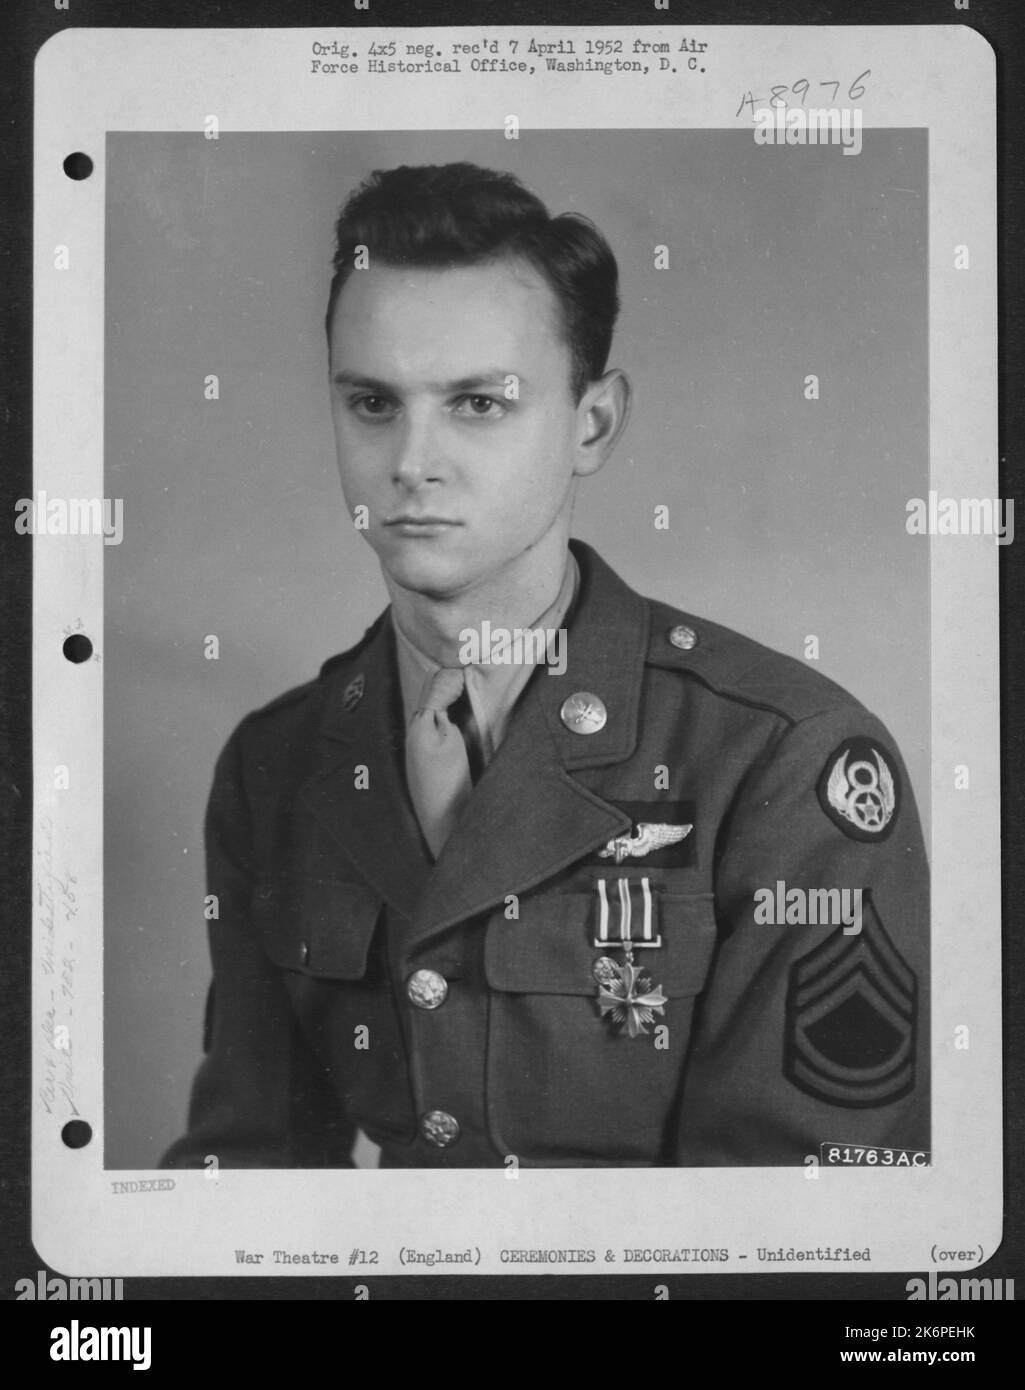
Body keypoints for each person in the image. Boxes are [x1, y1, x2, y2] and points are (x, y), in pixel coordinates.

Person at [163, 162, 929, 1169]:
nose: (410, 461)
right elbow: (243, 1178)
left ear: (591, 424)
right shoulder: (279, 763)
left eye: (478, 403)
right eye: (371, 403)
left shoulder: (780, 761)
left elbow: (802, 1227)